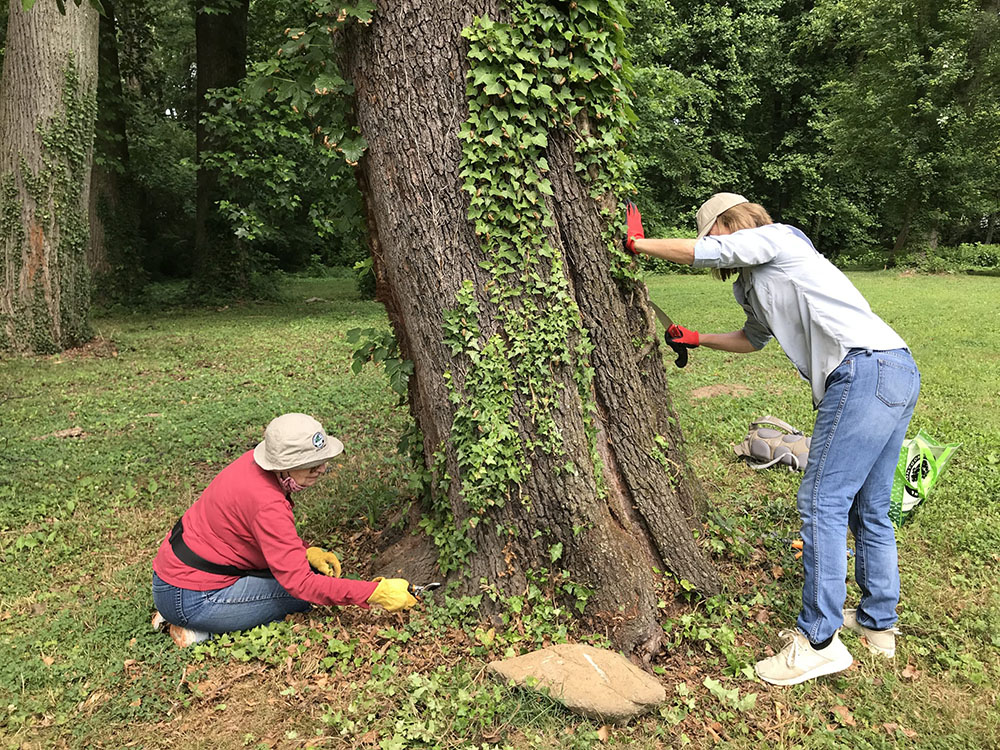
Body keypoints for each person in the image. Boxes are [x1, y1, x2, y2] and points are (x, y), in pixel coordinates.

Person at [624, 194, 920, 685]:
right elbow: (753, 338)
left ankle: (819, 642)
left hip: (863, 370)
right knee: (868, 508)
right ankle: (877, 624)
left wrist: (638, 244)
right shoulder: (752, 283)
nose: (714, 246)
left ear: (728, 224)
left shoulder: (778, 239)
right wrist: (697, 339)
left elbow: (714, 252)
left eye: (712, 235)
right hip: (894, 368)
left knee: (822, 501)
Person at [151, 413, 417, 648]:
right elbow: (302, 585)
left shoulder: (251, 465)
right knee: (301, 598)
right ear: (282, 465)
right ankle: (199, 629)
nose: (322, 469)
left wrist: (306, 552)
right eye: (310, 464)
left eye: (322, 460)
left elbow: (260, 536)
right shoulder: (267, 504)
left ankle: (187, 612)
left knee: (308, 575)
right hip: (192, 598)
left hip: (176, 577)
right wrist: (373, 593)